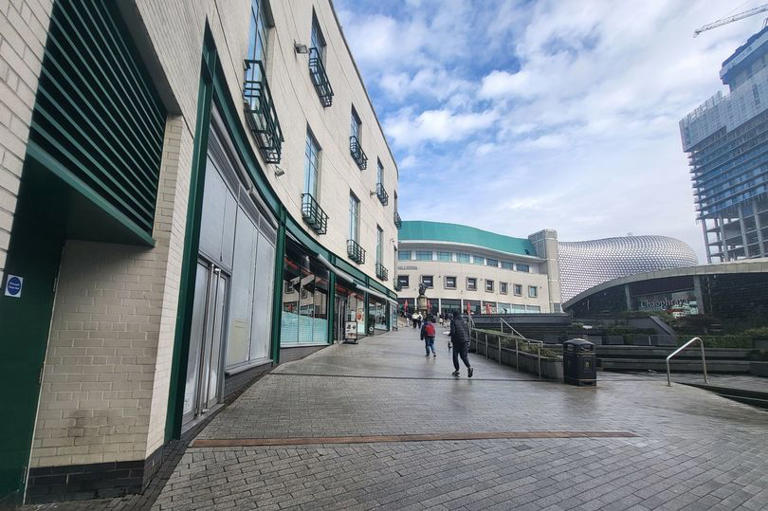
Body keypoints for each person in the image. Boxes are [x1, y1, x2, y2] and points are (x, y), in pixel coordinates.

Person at [449, 313, 473, 377]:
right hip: (465, 341)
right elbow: (468, 331)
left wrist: (450, 334)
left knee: (455, 356)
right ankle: (469, 367)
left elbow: (453, 332)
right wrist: (468, 340)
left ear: (454, 315)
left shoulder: (453, 321)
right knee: (464, 356)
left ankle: (457, 370)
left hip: (457, 341)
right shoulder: (464, 321)